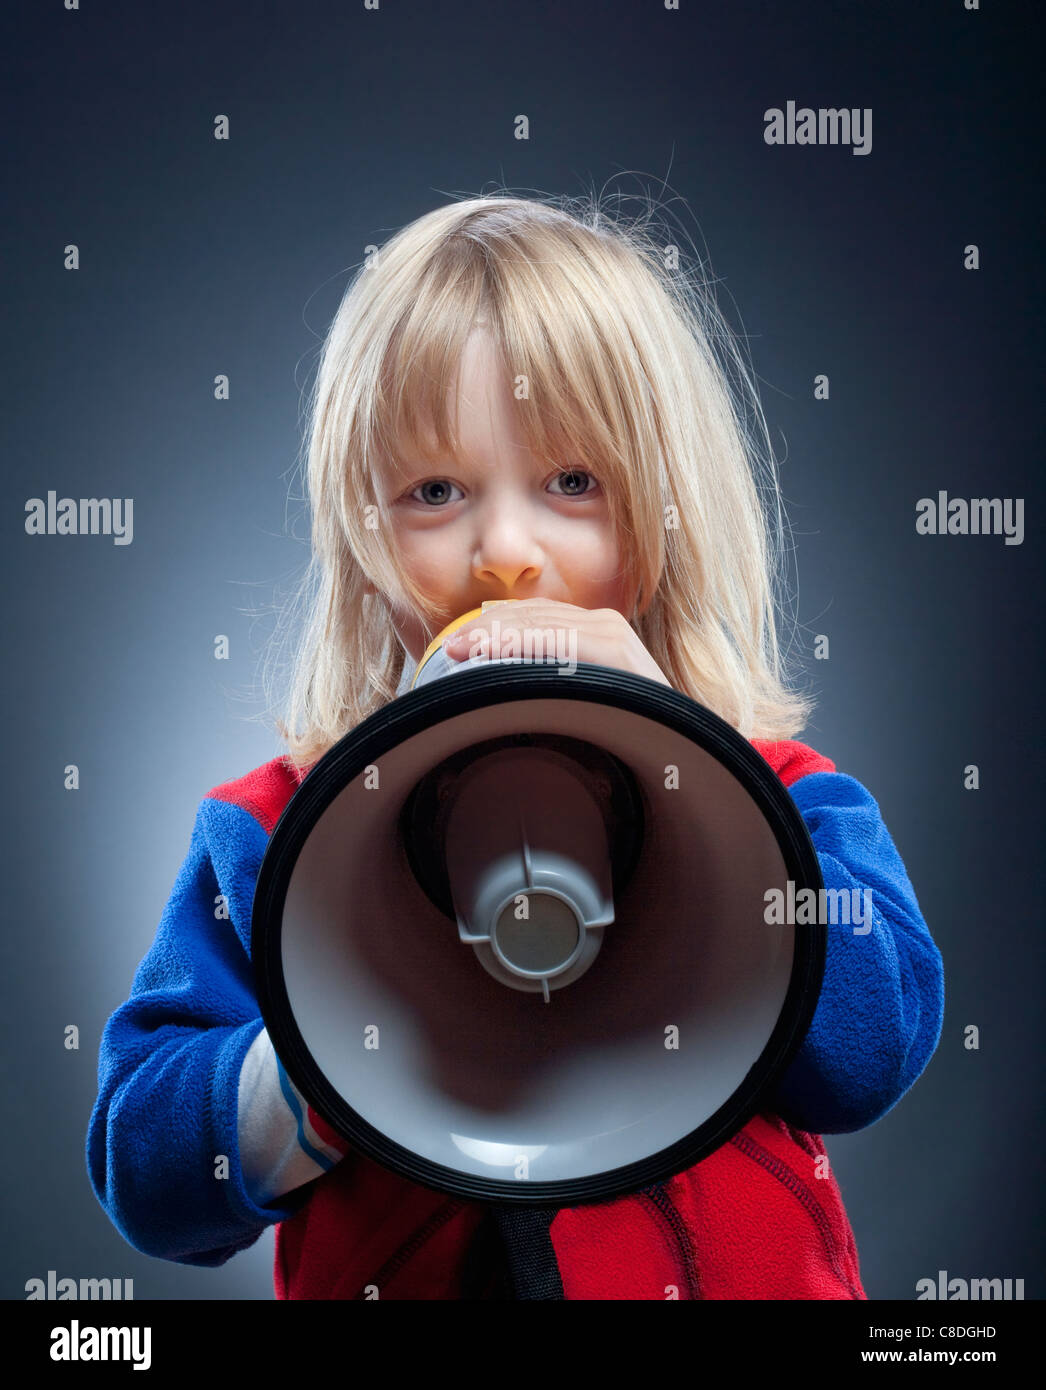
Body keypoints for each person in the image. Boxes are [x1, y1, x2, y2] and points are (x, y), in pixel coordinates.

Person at [87, 193, 945, 1299]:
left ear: (666, 509)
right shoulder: (267, 832)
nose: (505, 554)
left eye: (572, 484)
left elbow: (869, 1053)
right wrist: (314, 1073)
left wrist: (709, 803)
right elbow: (146, 1171)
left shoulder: (785, 795)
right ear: (362, 533)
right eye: (434, 492)